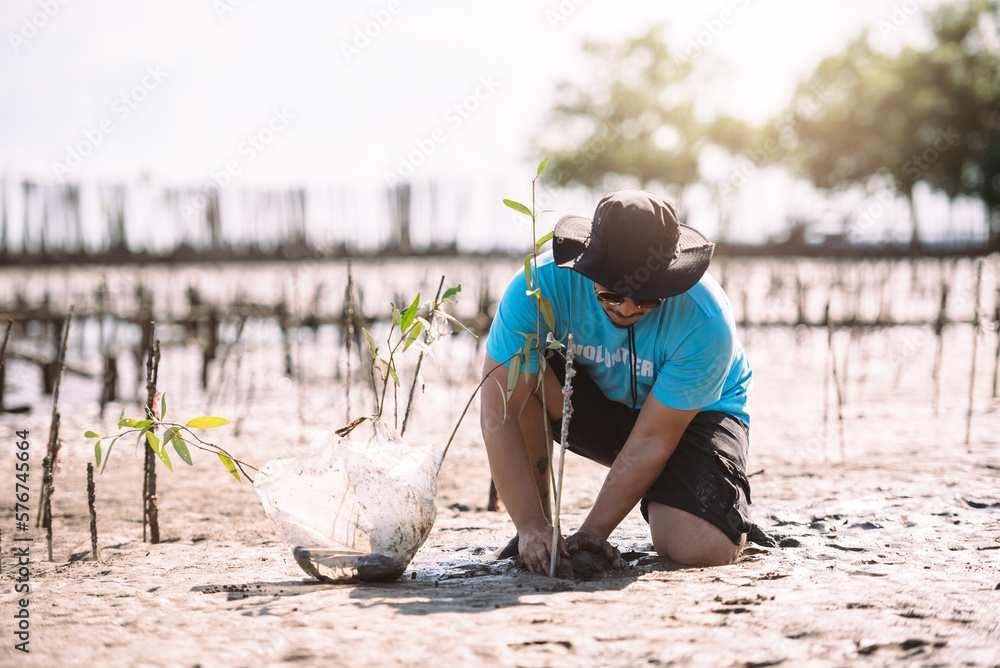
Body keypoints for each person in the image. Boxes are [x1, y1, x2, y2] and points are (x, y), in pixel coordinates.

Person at [480, 190, 753, 575]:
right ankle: (542, 527)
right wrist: (529, 526)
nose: (627, 308)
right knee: (522, 374)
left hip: (692, 418)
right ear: (586, 267)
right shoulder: (535, 288)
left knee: (699, 547)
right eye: (610, 293)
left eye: (647, 299)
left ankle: (714, 509)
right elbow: (499, 412)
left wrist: (592, 533)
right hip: (594, 405)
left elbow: (654, 438)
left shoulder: (706, 318)